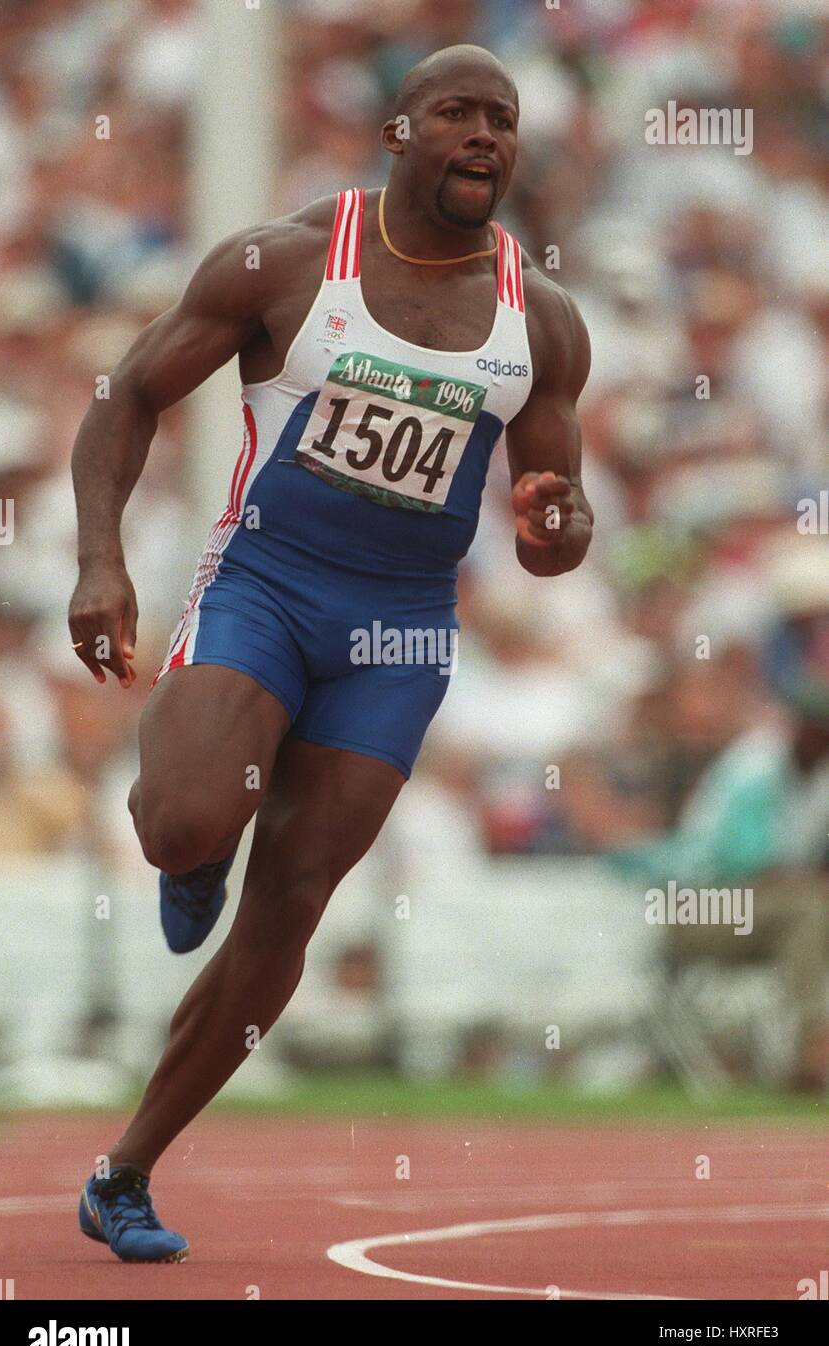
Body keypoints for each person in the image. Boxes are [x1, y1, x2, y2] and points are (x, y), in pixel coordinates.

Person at [68, 45, 592, 1262]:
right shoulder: (289, 261)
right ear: (398, 133)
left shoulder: (542, 321)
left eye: (502, 121)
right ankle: (192, 854)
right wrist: (101, 559)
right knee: (184, 820)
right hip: (265, 582)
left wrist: (561, 524)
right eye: (456, 113)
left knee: (292, 902)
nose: (484, 136)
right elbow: (127, 396)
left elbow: (551, 537)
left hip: (399, 629)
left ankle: (126, 1171)